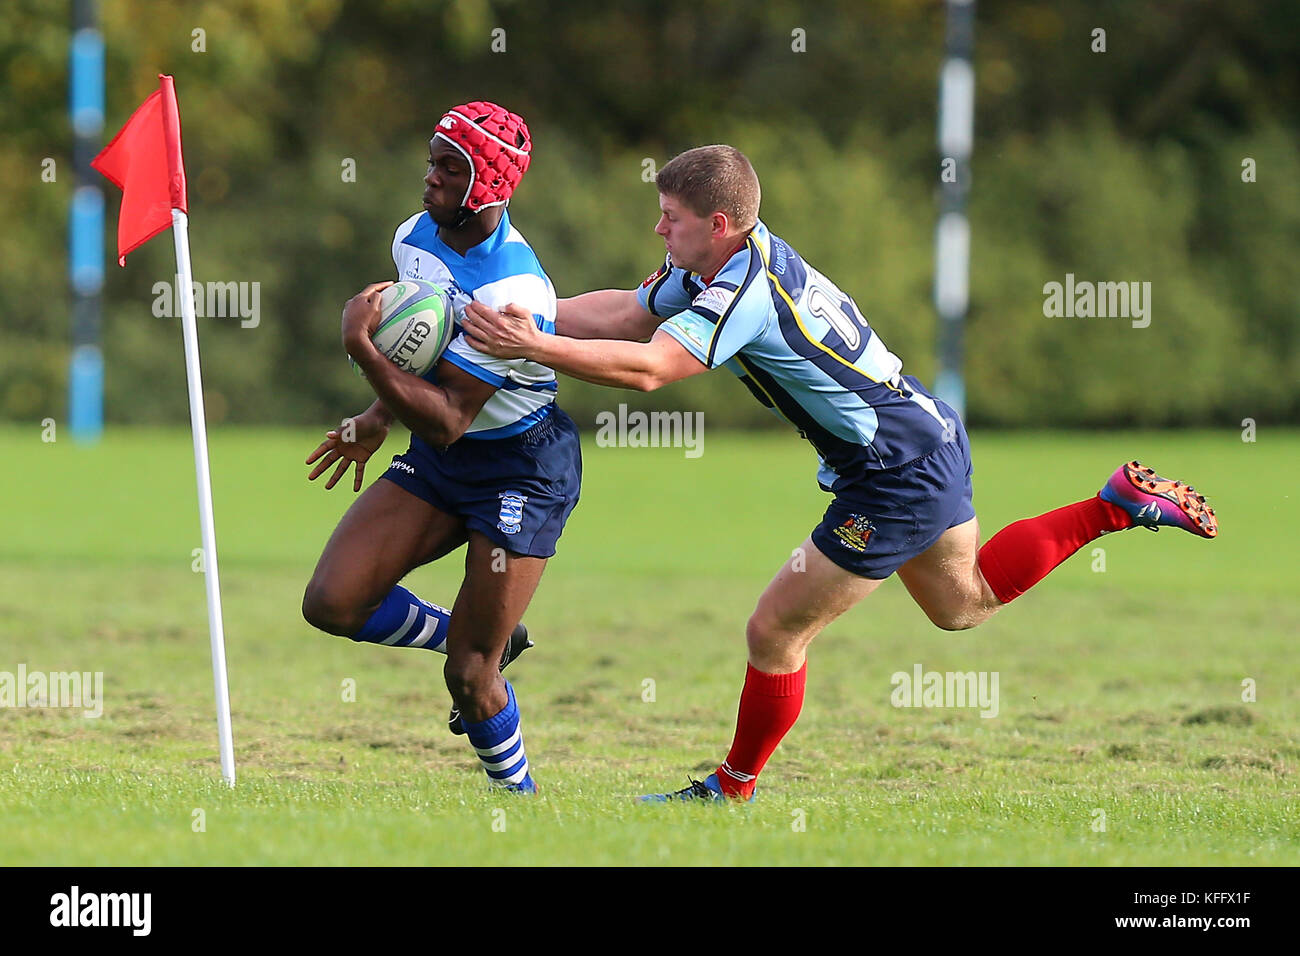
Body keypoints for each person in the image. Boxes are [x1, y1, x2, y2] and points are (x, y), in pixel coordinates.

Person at [460, 144, 1217, 802]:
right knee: (965, 603)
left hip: (893, 474)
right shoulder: (723, 259)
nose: (659, 228)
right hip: (924, 437)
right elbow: (630, 315)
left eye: (672, 217)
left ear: (718, 224)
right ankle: (1112, 506)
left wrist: (533, 348)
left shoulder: (741, 290)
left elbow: (654, 368)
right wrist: (526, 317)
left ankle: (731, 787)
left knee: (774, 628)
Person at [301, 102, 582, 794]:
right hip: (447, 458)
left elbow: (451, 414)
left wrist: (360, 350)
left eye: (449, 168)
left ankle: (516, 802)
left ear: (490, 186)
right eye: (431, 161)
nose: (429, 179)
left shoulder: (514, 289)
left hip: (521, 467)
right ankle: (476, 632)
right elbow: (423, 350)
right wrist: (375, 415)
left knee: (468, 673)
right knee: (332, 603)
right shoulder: (414, 238)